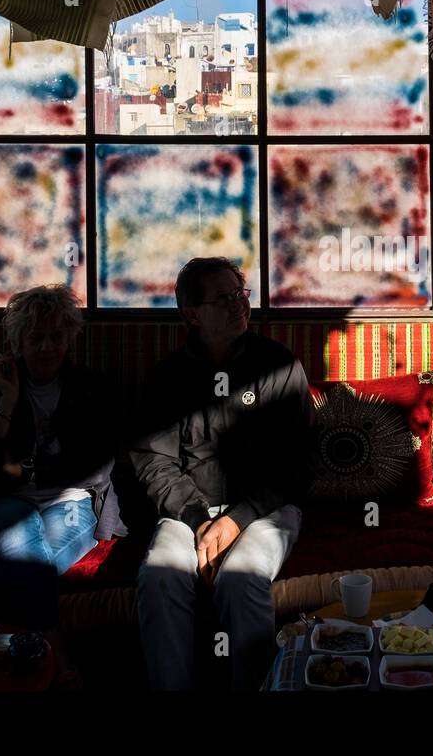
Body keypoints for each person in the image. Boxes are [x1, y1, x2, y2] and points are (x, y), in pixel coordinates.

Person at [130, 257, 312, 690]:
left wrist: (234, 521)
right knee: (159, 578)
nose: (238, 306)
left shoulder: (279, 367)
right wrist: (198, 521)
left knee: (240, 580)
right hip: (188, 512)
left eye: (240, 295)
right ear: (192, 313)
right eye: (223, 298)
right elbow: (154, 462)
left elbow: (294, 463)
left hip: (267, 511)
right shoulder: (168, 378)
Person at [0, 284, 126, 688]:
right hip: (6, 504)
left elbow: (97, 466)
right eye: (36, 337)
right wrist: (8, 398)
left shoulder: (91, 388)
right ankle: (57, 652)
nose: (48, 347)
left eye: (56, 336)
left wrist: (32, 468)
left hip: (70, 504)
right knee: (22, 537)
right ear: (18, 341)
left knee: (24, 563)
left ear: (70, 337)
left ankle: (0, 655)